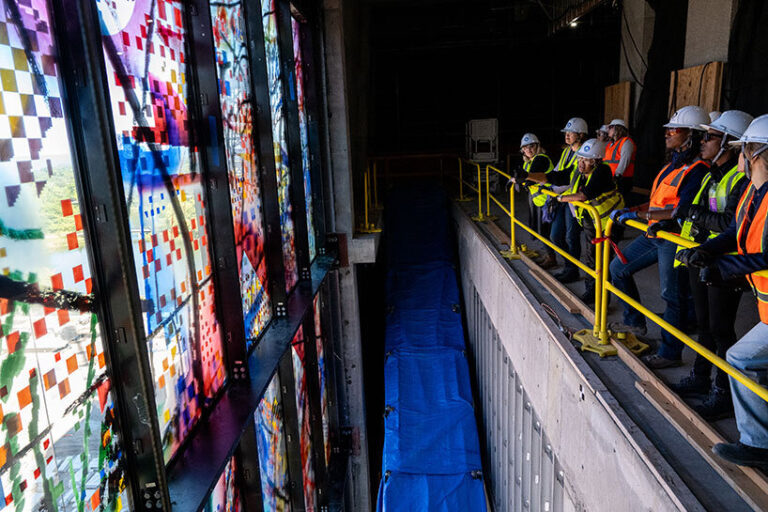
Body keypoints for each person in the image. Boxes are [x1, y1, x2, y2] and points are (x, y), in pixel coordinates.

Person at [677, 114, 768, 468]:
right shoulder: (754, 192)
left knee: (742, 358)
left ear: (754, 153)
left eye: (742, 150)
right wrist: (708, 251)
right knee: (746, 360)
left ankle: (758, 444)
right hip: (764, 309)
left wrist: (723, 267)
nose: (740, 157)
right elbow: (735, 232)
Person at [609, 106, 711, 369]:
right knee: (617, 267)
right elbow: (658, 201)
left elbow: (681, 210)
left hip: (674, 237)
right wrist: (634, 210)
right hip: (655, 232)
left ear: (692, 135)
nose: (667, 133)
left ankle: (669, 352)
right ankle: (634, 321)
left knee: (671, 294)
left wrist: (645, 216)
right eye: (667, 129)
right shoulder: (673, 165)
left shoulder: (698, 170)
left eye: (673, 129)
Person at [669, 110, 753, 419]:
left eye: (710, 137)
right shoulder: (712, 173)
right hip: (701, 255)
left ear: (729, 142)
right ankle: (701, 378)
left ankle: (723, 393)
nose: (702, 141)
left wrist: (693, 214)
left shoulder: (740, 179)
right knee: (704, 325)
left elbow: (730, 223)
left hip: (725, 264)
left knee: (720, 329)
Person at [556, 139, 624, 302]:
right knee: (592, 258)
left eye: (585, 160)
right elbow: (563, 177)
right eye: (580, 159)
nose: (581, 163)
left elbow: (584, 195)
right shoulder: (582, 173)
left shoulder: (602, 171)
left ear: (596, 160)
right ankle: (592, 291)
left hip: (609, 224)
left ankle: (602, 298)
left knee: (603, 260)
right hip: (594, 222)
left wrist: (561, 198)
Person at [526, 118, 586, 282]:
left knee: (571, 237)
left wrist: (549, 186)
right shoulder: (567, 151)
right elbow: (559, 170)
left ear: (581, 134)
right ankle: (569, 266)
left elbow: (568, 178)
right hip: (562, 199)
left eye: (570, 133)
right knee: (555, 237)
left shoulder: (583, 153)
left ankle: (572, 270)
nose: (567, 136)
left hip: (575, 201)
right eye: (566, 133)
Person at [514, 133, 556, 268]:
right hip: (539, 201)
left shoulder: (541, 159)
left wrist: (519, 181)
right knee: (543, 231)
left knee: (548, 233)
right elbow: (523, 176)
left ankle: (552, 258)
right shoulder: (529, 162)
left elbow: (528, 179)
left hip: (548, 201)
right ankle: (550, 256)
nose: (529, 150)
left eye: (531, 146)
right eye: (525, 148)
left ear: (537, 146)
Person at [604, 119, 637, 200]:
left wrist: (617, 176)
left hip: (621, 180)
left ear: (617, 128)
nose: (608, 130)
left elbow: (624, 160)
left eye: (610, 127)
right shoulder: (611, 144)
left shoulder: (626, 142)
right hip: (609, 178)